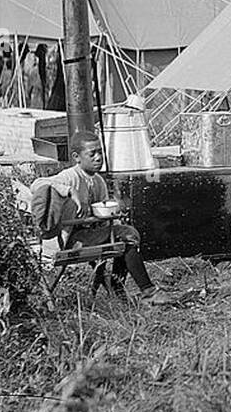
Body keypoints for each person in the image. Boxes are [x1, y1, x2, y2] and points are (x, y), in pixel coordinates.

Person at [30, 131, 177, 306]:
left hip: (86, 235)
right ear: (77, 157)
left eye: (100, 152)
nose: (98, 158)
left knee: (126, 234)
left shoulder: (98, 181)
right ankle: (139, 290)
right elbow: (37, 184)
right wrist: (70, 191)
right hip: (67, 241)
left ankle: (123, 285)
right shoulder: (69, 176)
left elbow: (102, 212)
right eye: (92, 154)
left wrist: (114, 216)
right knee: (127, 234)